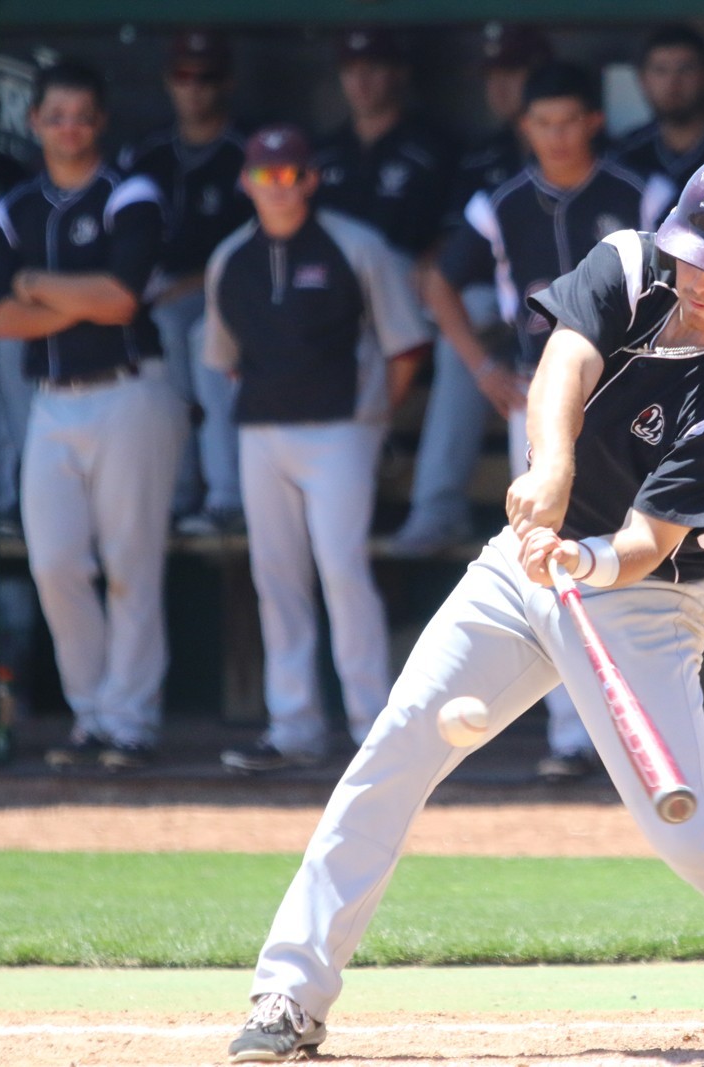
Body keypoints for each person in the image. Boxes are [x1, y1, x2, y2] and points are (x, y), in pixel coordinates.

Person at [226, 150, 704, 1063]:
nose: (697, 278)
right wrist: (552, 471)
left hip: (644, 599)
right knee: (397, 746)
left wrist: (584, 555)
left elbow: (648, 541)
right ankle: (289, 992)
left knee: (688, 830)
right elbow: (563, 363)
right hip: (521, 569)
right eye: (693, 254)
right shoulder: (633, 261)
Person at [422, 60, 663, 781]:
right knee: (547, 554)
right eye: (542, 123)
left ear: (593, 120)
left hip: (628, 398)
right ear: (523, 126)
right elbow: (437, 280)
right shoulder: (498, 203)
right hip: (537, 398)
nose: (556, 136)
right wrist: (480, 366)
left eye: (568, 121)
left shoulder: (639, 192)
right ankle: (570, 735)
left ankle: (640, 724)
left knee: (633, 554)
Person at [203, 126, 431, 772]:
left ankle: (371, 726)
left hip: (341, 429)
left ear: (310, 179)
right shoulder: (229, 258)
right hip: (261, 431)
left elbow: (406, 345)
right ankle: (293, 724)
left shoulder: (356, 245)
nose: (277, 187)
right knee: (275, 577)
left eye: (289, 175)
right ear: (246, 182)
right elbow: (225, 358)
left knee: (342, 570)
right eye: (264, 175)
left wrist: (372, 415)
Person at [0, 60, 186, 771]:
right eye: (56, 116)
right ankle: (91, 713)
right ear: (34, 122)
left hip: (130, 391)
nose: (68, 128)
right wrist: (78, 299)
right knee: (55, 563)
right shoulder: (12, 208)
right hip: (52, 400)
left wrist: (36, 283)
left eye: (81, 116)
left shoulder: (129, 193)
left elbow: (120, 300)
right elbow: (0, 318)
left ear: (100, 122)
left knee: (131, 562)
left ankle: (129, 721)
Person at [389, 22, 553, 554]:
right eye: (493, 74)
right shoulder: (482, 157)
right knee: (461, 330)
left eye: (515, 71)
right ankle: (437, 510)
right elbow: (447, 249)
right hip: (501, 307)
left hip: (569, 315)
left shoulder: (593, 159)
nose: (501, 85)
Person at [119, 29, 252, 536]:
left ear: (228, 82)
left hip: (231, 293)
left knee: (196, 338)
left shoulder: (244, 151)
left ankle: (224, 496)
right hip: (154, 294)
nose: (194, 88)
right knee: (164, 339)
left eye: (207, 77)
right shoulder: (147, 154)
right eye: (183, 76)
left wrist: (193, 283)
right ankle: (178, 492)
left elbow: (257, 243)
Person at [312, 27, 456, 271]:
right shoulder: (323, 154)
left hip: (405, 276)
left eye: (373, 69)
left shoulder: (432, 151)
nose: (361, 82)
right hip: (330, 277)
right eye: (350, 71)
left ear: (400, 73)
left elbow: (455, 231)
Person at [612, 24, 704, 191]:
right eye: (660, 70)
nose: (672, 82)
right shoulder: (627, 152)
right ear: (642, 80)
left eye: (685, 69)